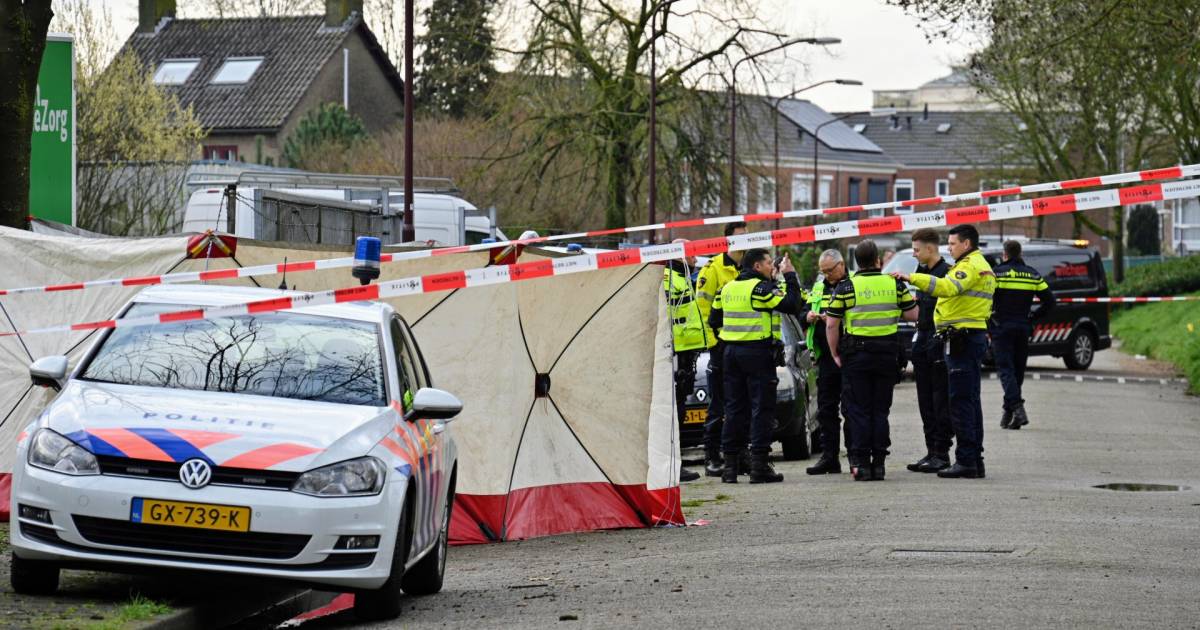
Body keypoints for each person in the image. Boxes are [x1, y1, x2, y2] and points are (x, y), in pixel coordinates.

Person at [893, 224, 995, 479]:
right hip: (965, 336)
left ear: (966, 244)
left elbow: (947, 288)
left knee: (960, 401)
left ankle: (966, 460)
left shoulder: (969, 266)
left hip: (963, 337)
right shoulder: (975, 264)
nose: (948, 248)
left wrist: (910, 278)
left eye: (952, 244)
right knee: (968, 400)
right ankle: (972, 459)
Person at [825, 239, 918, 481]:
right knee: (880, 410)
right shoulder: (894, 284)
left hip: (857, 356)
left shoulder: (846, 287)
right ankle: (879, 463)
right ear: (878, 260)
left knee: (858, 411)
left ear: (856, 262)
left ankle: (862, 463)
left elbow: (832, 323)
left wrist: (835, 353)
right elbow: (912, 313)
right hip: (887, 355)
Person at [709, 248, 803, 484]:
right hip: (757, 354)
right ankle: (759, 467)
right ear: (757, 266)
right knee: (762, 408)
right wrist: (790, 275)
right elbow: (792, 304)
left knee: (733, 409)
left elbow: (714, 320)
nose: (773, 266)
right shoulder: (761, 289)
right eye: (770, 263)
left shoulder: (726, 288)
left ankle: (730, 467)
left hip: (731, 354)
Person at [695, 221, 748, 477]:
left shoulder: (748, 266)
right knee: (718, 405)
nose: (745, 241)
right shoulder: (713, 268)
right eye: (740, 237)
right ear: (727, 239)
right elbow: (702, 310)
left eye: (747, 236)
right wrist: (713, 343)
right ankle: (711, 457)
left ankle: (740, 455)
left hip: (743, 345)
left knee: (741, 403)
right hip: (721, 346)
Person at [991, 240, 1055, 430]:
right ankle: (1008, 412)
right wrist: (1033, 317)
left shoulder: (997, 273)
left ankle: (1018, 409)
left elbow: (985, 298)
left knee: (1006, 370)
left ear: (1005, 254)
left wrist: (989, 321)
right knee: (1017, 372)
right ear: (1020, 253)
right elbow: (1050, 302)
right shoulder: (1032, 274)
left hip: (1001, 327)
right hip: (1023, 327)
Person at [906, 228, 954, 474]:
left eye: (916, 249)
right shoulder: (921, 272)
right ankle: (931, 451)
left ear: (930, 248)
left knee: (939, 399)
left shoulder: (945, 273)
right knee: (925, 399)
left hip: (937, 340)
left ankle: (942, 452)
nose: (914, 254)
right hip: (922, 338)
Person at [664, 240, 709, 482]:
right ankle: (673, 465)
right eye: (691, 255)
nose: (695, 259)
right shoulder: (669, 278)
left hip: (684, 352)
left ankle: (676, 464)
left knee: (680, 407)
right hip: (674, 353)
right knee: (675, 410)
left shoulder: (681, 277)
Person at [804, 249, 848, 475]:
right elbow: (805, 307)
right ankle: (830, 457)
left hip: (849, 355)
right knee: (826, 410)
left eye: (830, 270)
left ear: (841, 265)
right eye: (823, 271)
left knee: (852, 409)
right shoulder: (820, 286)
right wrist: (809, 316)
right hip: (826, 358)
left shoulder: (853, 284)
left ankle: (856, 457)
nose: (827, 275)